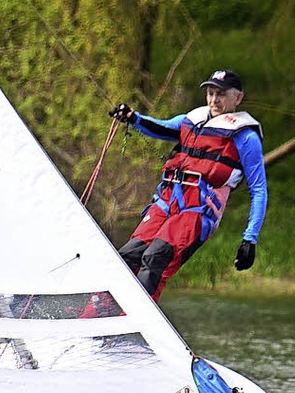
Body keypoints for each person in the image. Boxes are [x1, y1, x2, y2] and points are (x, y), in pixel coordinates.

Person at [109, 69, 267, 301]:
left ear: (238, 97)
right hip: (166, 204)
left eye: (221, 94)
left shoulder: (246, 137)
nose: (214, 100)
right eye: (211, 93)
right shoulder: (191, 120)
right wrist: (133, 118)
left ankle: (137, 322)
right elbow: (159, 127)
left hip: (197, 214)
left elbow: (259, 190)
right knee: (126, 257)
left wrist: (249, 239)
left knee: (155, 258)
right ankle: (94, 318)